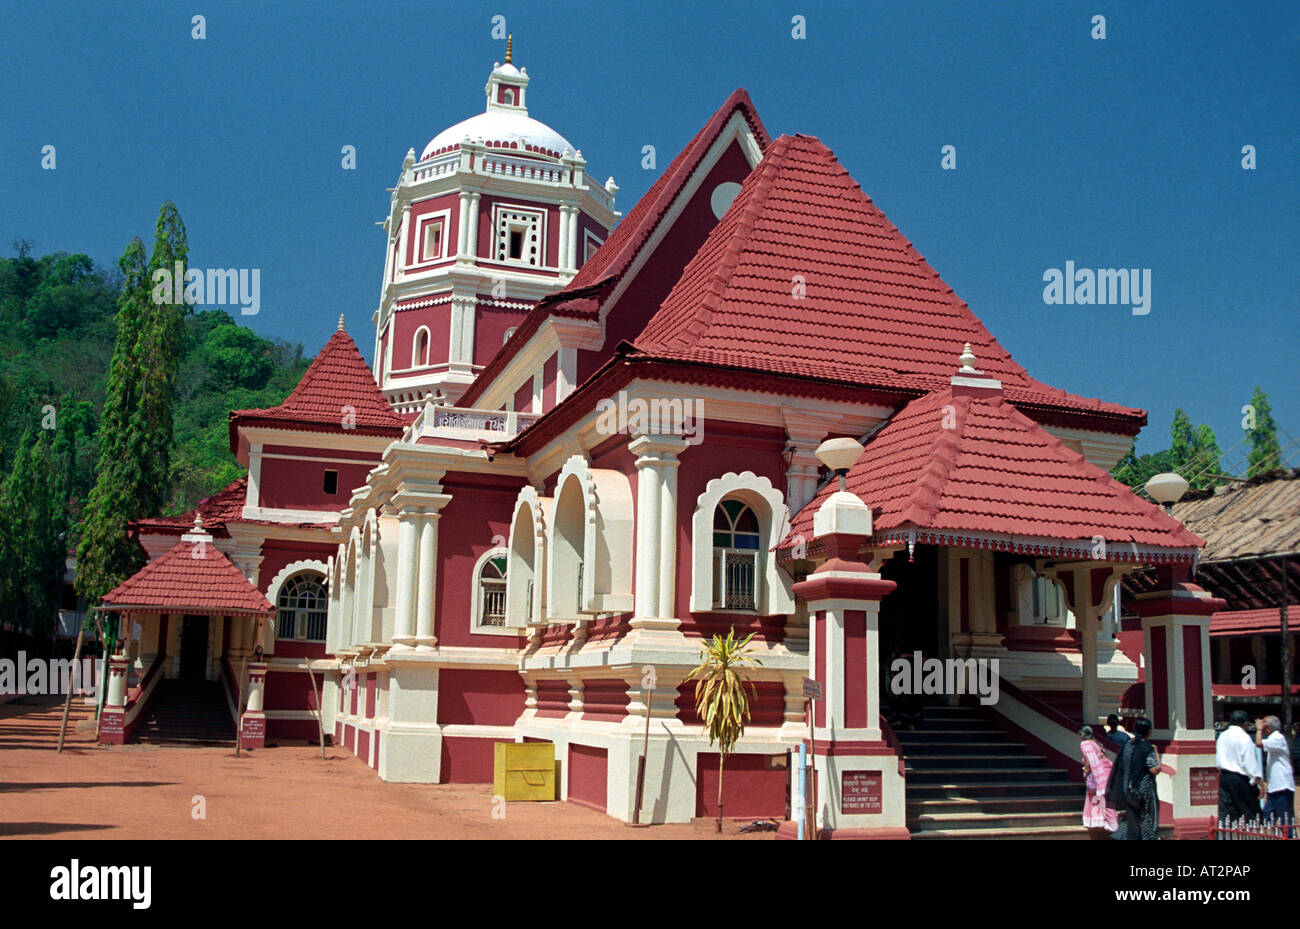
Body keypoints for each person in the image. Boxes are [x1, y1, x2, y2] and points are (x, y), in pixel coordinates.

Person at [1105, 716, 1161, 839]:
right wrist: (1156, 752)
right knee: (1146, 819)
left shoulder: (1128, 745)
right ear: (1148, 731)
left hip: (1128, 789)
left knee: (1130, 818)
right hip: (1144, 790)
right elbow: (1154, 769)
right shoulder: (1147, 747)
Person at [1217, 710, 1264, 821]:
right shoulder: (1244, 737)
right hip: (1240, 779)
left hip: (1224, 777)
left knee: (1227, 812)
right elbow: (1249, 762)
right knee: (1250, 811)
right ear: (1245, 724)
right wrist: (1258, 781)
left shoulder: (1222, 736)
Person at [1255, 715, 1294, 834]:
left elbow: (1258, 743)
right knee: (1266, 818)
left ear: (1269, 728)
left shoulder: (1278, 737)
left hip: (1282, 786)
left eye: (1264, 725)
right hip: (1274, 787)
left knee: (1286, 821)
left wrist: (1259, 729)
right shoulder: (1273, 738)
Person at [1079, 726, 1118, 834]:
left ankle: (1110, 825)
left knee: (1098, 798)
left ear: (1082, 735)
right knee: (1105, 798)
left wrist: (1086, 773)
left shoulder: (1085, 744)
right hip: (1105, 770)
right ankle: (1108, 822)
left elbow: (1088, 761)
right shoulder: (1096, 743)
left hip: (1098, 773)